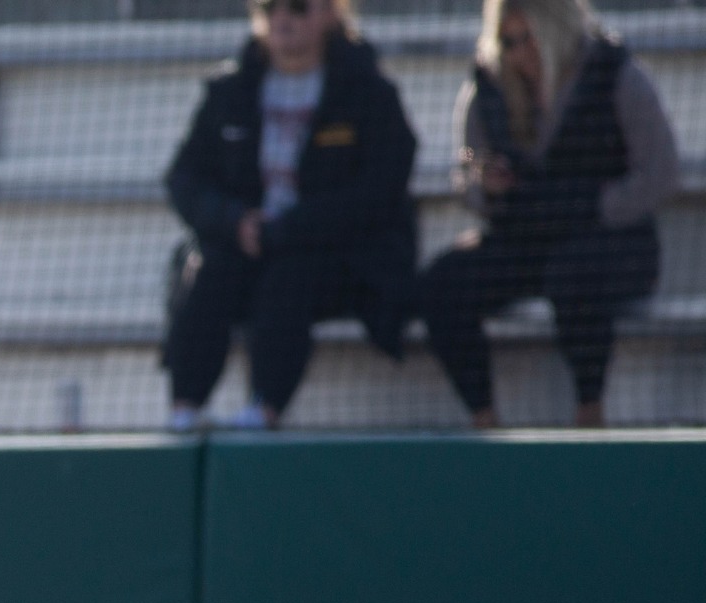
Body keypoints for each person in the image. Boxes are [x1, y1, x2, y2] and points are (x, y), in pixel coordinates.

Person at [418, 0, 678, 428]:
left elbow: (659, 170)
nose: (519, 53)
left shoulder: (616, 74)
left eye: (528, 39)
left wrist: (594, 206)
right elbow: (467, 164)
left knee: (573, 277)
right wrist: (484, 185)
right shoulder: (486, 88)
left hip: (612, 241)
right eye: (508, 42)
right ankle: (485, 422)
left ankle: (589, 414)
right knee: (443, 285)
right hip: (525, 240)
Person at [163, 0, 416, 430]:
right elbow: (184, 178)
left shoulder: (367, 92)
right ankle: (184, 410)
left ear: (331, 14)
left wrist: (296, 227)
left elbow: (381, 188)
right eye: (269, 6)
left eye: (298, 6)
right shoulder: (229, 90)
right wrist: (233, 220)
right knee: (208, 269)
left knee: (290, 275)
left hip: (337, 257)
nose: (283, 17)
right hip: (247, 246)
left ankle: (264, 411)